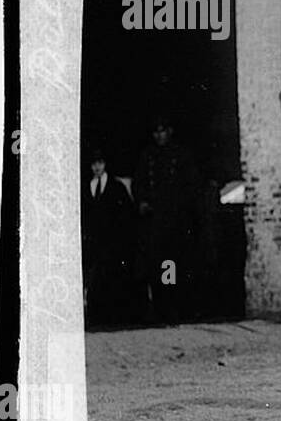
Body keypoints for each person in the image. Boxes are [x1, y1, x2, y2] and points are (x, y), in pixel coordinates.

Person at [133, 115, 202, 325]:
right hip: (155, 223)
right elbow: (138, 183)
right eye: (156, 132)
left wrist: (181, 208)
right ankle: (160, 308)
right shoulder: (148, 157)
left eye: (162, 131)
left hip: (175, 222)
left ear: (170, 132)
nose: (159, 135)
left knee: (172, 265)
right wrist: (142, 200)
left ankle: (174, 309)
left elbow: (191, 186)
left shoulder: (180, 156)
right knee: (156, 266)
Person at [81, 146, 134, 327]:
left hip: (113, 244)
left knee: (113, 281)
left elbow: (126, 215)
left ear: (105, 164)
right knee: (95, 282)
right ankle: (97, 319)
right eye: (94, 164)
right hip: (94, 243)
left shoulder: (116, 186)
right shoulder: (87, 187)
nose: (97, 167)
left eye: (100, 163)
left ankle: (114, 319)